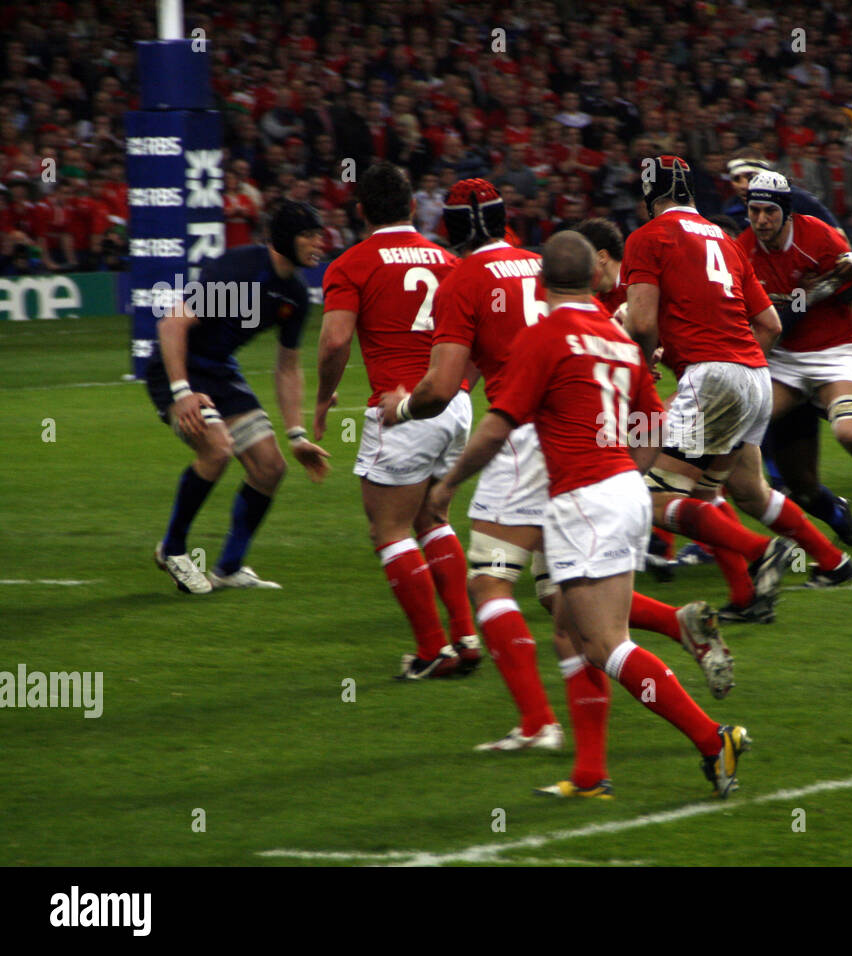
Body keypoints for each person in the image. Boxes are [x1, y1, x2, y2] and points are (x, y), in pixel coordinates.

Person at [381, 179, 731, 752]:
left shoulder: (465, 278)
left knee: (492, 581)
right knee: (564, 603)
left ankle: (538, 724)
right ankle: (662, 648)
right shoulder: (547, 270)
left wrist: (401, 411)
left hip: (525, 435)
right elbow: (642, 405)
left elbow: (446, 388)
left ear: (451, 229)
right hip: (596, 451)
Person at [428, 231, 749, 799]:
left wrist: (450, 481)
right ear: (592, 279)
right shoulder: (617, 337)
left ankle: (711, 737)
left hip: (585, 498)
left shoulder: (543, 337)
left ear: (540, 281)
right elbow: (652, 423)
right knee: (570, 633)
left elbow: (500, 424)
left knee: (606, 644)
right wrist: (628, 471)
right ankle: (589, 774)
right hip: (622, 489)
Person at [623, 156, 852, 625]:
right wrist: (734, 361)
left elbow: (643, 322)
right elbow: (768, 323)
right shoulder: (725, 240)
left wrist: (645, 362)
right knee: (739, 490)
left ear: (651, 197)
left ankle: (760, 551)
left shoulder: (646, 239)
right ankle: (826, 563)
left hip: (714, 377)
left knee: (647, 498)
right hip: (754, 376)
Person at [314, 161, 481, 679]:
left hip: (403, 407)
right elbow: (478, 337)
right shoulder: (449, 261)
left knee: (388, 528)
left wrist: (323, 398)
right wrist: (460, 387)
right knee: (432, 518)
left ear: (361, 212)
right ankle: (467, 636)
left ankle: (433, 651)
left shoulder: (351, 264)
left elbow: (337, 339)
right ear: (413, 206)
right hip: (453, 405)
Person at [736, 170, 852, 561]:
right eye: (754, 211)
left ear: (785, 212)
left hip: (835, 354)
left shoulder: (819, 236)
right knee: (736, 428)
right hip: (783, 361)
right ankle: (722, 530)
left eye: (768, 212)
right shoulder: (744, 249)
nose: (761, 220)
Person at [146, 201, 331, 593]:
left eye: (320, 234)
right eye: (310, 235)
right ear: (285, 239)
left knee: (270, 468)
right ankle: (173, 549)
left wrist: (297, 435)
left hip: (219, 370)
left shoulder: (295, 295)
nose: (321, 242)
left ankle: (228, 568)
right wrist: (182, 394)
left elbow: (288, 367)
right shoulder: (241, 271)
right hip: (175, 369)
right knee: (216, 448)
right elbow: (172, 324)